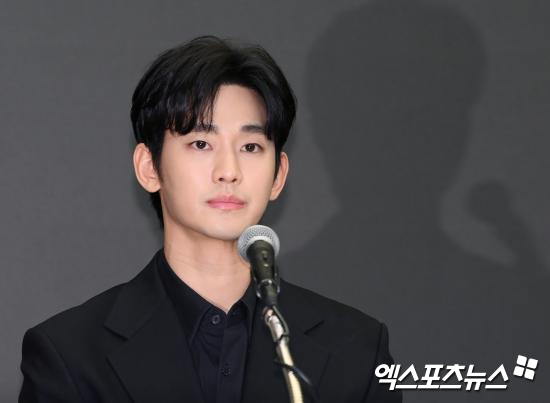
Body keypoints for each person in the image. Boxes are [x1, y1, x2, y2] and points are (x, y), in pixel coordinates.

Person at [18, 36, 401, 403]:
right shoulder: (70, 355)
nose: (228, 171)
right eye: (201, 144)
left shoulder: (357, 350)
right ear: (149, 167)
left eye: (250, 146)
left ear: (278, 175)